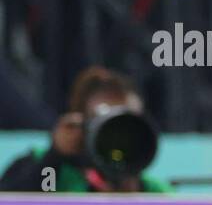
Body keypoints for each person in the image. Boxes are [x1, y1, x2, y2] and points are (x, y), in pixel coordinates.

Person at [0, 65, 169, 192]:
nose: (118, 136)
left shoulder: (153, 190)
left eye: (128, 123)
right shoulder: (50, 172)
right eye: (107, 123)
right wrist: (55, 156)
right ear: (82, 124)